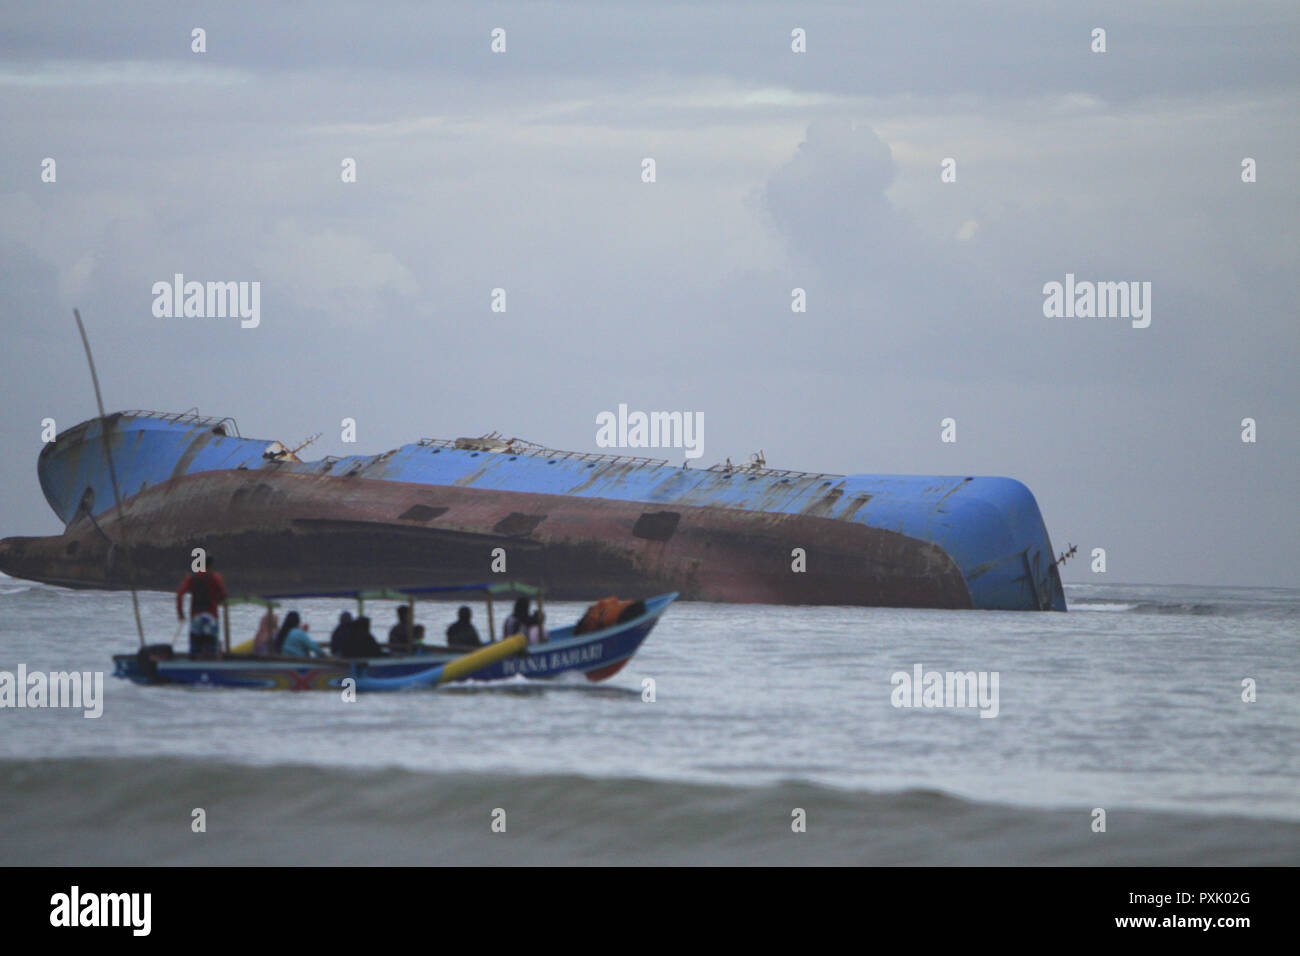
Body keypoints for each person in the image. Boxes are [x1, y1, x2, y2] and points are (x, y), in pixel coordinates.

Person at [176, 557, 228, 659]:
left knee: (195, 651)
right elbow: (223, 595)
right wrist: (217, 600)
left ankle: (193, 667)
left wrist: (181, 613)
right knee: (211, 650)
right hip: (211, 617)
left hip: (196, 617)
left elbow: (179, 594)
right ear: (210, 565)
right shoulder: (215, 577)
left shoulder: (192, 578)